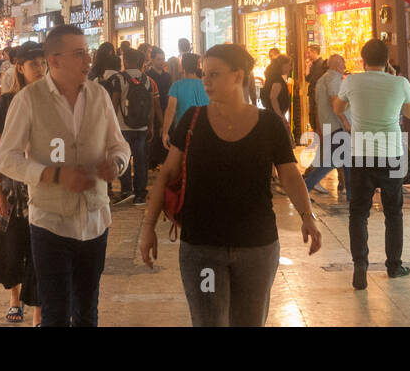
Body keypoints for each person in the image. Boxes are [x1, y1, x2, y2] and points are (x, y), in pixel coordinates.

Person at [138, 44, 322, 326]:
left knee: (249, 322)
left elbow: (289, 174)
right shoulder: (193, 120)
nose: (206, 81)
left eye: (214, 74)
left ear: (238, 76)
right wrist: (148, 227)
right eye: (204, 74)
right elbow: (166, 174)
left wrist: (307, 216)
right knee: (209, 321)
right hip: (202, 249)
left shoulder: (269, 124)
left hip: (256, 247)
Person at [0, 24, 130, 326]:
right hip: (50, 223)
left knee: (87, 309)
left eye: (88, 53)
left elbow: (119, 145)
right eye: (79, 54)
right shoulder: (28, 100)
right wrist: (51, 175)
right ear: (54, 60)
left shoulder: (98, 95)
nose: (88, 60)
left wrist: (117, 164)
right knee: (54, 312)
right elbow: (6, 158)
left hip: (95, 219)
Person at [331, 38, 410, 291]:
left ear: (362, 60)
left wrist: (353, 102)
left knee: (358, 213)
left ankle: (360, 265)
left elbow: (338, 106)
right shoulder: (400, 83)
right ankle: (394, 265)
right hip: (391, 153)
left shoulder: (352, 81)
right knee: (393, 213)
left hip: (361, 154)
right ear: (388, 60)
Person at [0, 41, 47, 325]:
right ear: (20, 67)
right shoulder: (6, 102)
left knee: (40, 247)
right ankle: (14, 297)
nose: (41, 69)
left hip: (39, 184)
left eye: (43, 63)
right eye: (34, 64)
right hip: (11, 187)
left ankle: (38, 311)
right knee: (12, 246)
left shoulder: (49, 99)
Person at [102, 47, 161, 206]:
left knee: (125, 157)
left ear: (126, 61)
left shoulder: (119, 79)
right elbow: (151, 106)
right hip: (142, 128)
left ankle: (126, 190)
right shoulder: (147, 79)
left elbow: (113, 104)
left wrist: (110, 125)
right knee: (141, 160)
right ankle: (140, 194)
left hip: (122, 126)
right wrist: (151, 126)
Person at [302, 54, 349, 198]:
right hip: (337, 125)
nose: (345, 66)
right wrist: (345, 121)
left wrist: (319, 126)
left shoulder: (322, 79)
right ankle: (307, 184)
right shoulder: (333, 78)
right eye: (343, 63)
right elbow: (334, 101)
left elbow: (318, 106)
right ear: (336, 65)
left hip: (329, 124)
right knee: (335, 160)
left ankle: (351, 193)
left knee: (345, 159)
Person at [163, 52, 209, 148]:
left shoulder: (176, 86)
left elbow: (171, 109)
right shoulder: (206, 85)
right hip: (205, 128)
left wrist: (165, 132)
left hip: (183, 129)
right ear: (197, 66)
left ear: (182, 67)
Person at [145, 47, 174, 169]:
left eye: (163, 59)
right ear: (152, 60)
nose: (162, 62)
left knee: (165, 134)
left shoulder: (167, 76)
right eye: (159, 59)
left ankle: (164, 161)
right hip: (152, 110)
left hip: (166, 109)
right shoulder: (148, 76)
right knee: (154, 136)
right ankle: (152, 162)